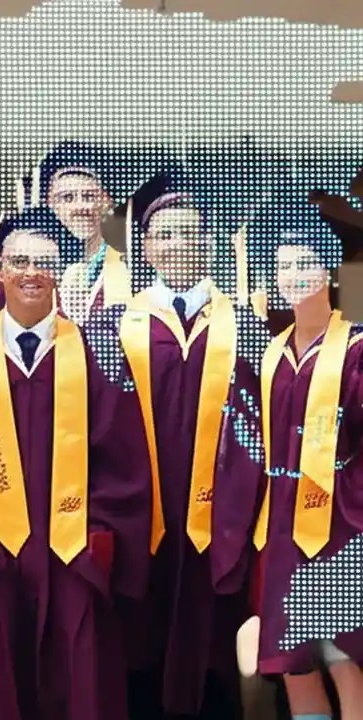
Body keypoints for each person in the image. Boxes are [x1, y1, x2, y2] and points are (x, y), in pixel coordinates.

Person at [0, 206, 152, 720]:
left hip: (72, 563)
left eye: (44, 262)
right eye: (18, 261)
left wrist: (96, 545)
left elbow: (124, 465)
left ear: (60, 271)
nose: (31, 273)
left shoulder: (98, 356)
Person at [85, 170, 266, 720]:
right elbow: (92, 425)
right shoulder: (113, 326)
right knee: (137, 649)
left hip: (220, 519)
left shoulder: (246, 326)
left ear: (208, 242)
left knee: (215, 653)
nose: (178, 243)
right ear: (145, 247)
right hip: (139, 517)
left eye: (190, 232)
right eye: (164, 234)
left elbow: (263, 426)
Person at [249, 193, 363, 720]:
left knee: (345, 663)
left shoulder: (357, 349)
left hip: (343, 527)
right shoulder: (271, 354)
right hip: (283, 530)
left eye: (306, 263)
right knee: (296, 668)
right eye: (284, 266)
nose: (294, 276)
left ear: (329, 271)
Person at [36, 141, 133, 324]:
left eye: (89, 196)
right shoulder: (63, 269)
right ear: (51, 204)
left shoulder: (128, 264)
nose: (79, 207)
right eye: (67, 198)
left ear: (108, 200)